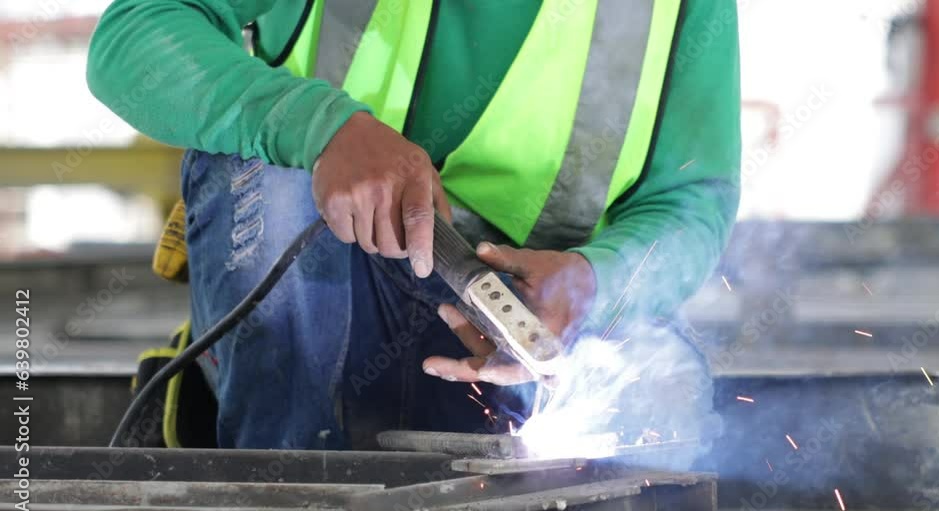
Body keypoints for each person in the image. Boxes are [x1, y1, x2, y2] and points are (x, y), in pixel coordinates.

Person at [88, 0, 741, 451]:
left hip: (511, 345)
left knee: (662, 389)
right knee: (272, 177)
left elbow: (690, 198)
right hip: (317, 312)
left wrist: (596, 282)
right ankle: (282, 487)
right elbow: (134, 34)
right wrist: (317, 125)